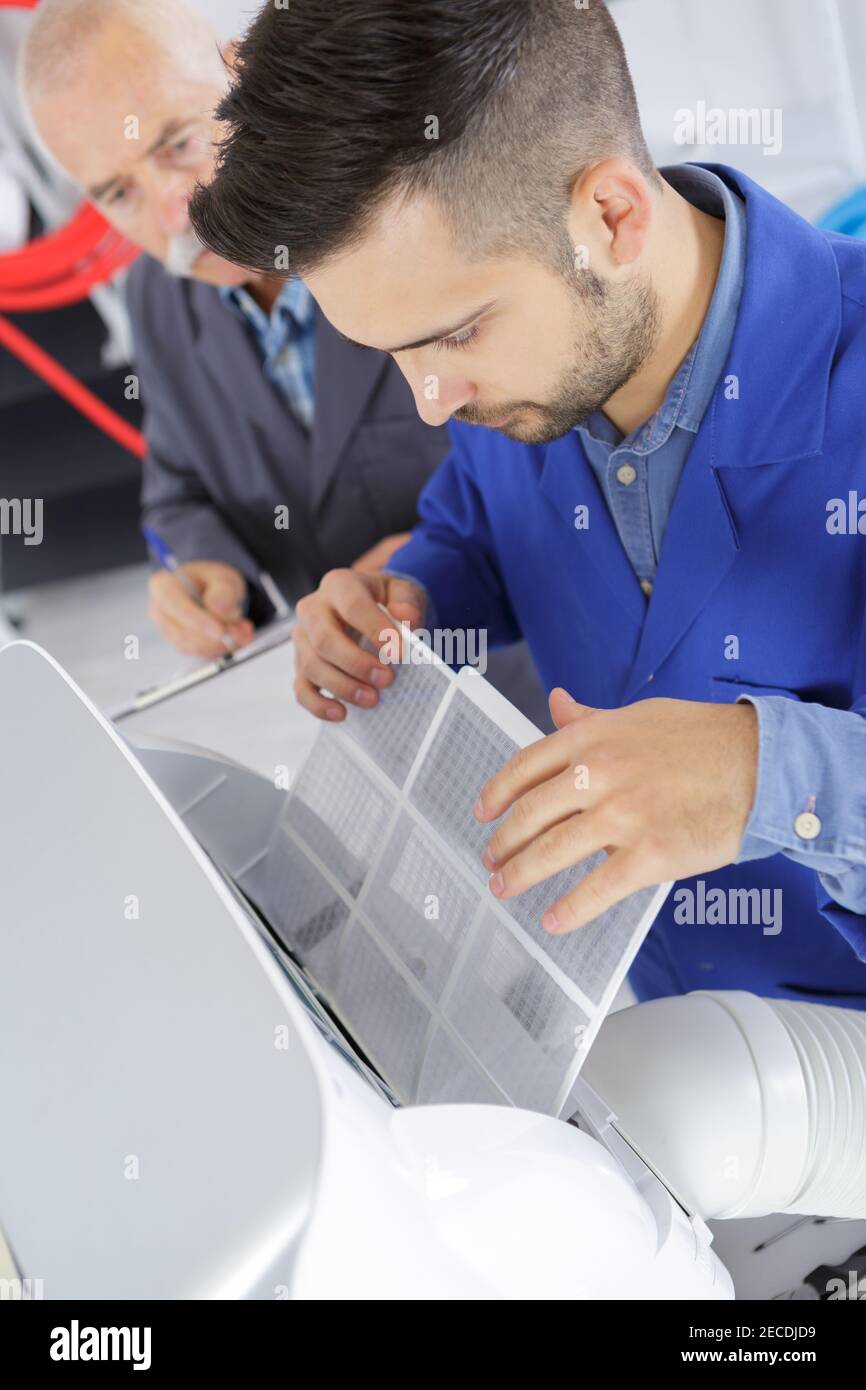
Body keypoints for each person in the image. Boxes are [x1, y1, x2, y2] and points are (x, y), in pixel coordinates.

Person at [189, 0, 866, 1008]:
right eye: (393, 353)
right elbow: (478, 529)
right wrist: (406, 597)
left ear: (609, 216)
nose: (428, 402)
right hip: (637, 1015)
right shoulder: (513, 385)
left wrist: (764, 777)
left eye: (453, 334)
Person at [17, 0, 448, 658]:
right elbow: (177, 494)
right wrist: (203, 571)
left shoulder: (421, 211)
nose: (173, 214)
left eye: (179, 144)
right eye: (118, 194)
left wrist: (445, 554)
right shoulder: (156, 299)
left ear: (242, 72)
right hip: (364, 704)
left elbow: (570, 446)